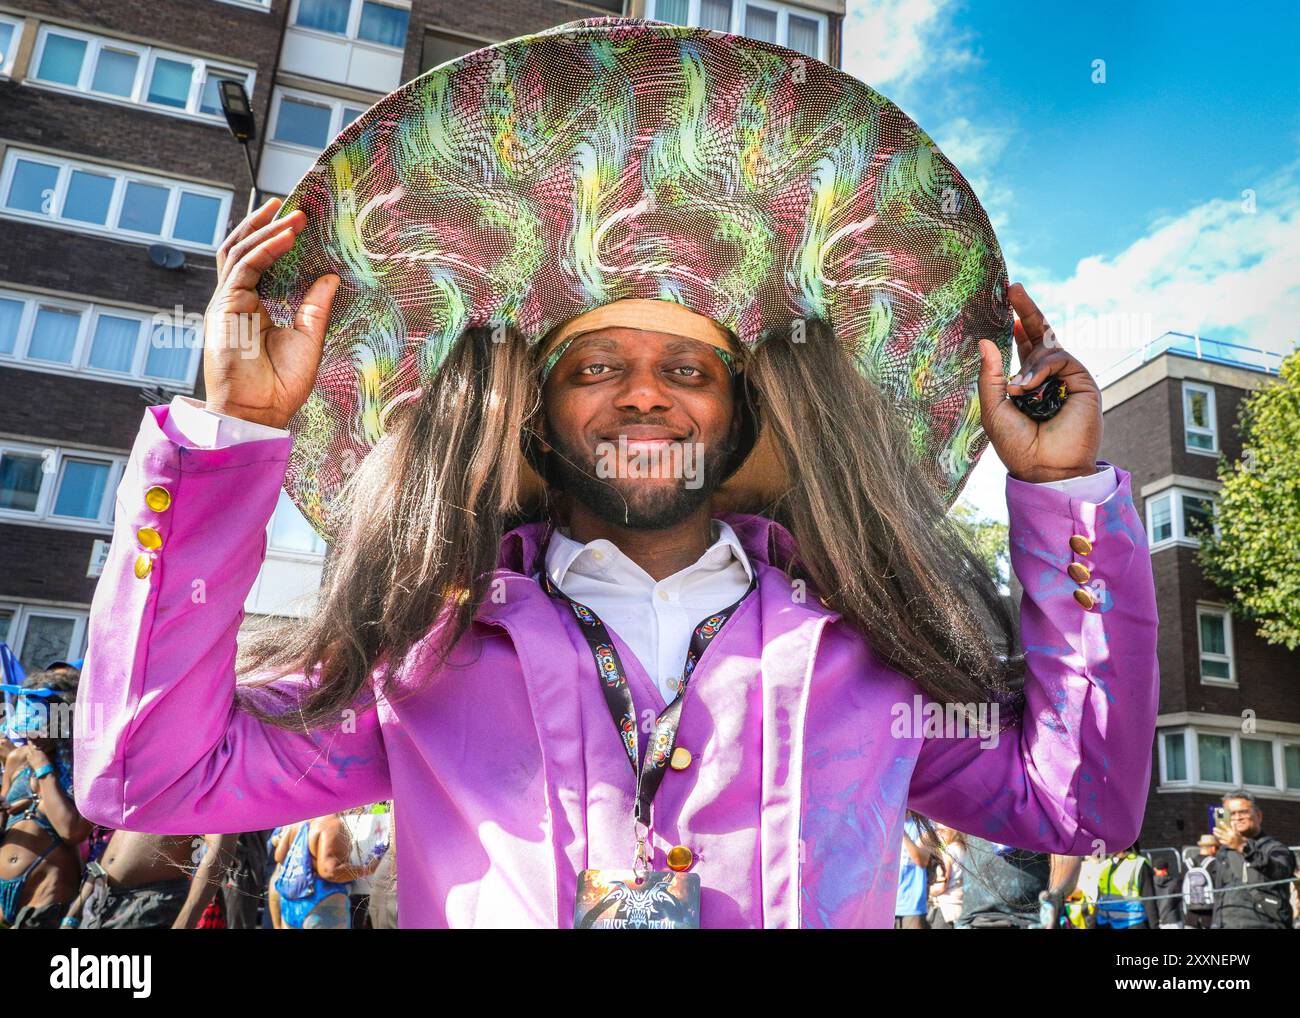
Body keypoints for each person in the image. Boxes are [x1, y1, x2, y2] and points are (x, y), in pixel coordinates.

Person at [71, 17, 1160, 928]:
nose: (644, 393)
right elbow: (147, 774)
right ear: (535, 413)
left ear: (744, 412)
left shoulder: (869, 663)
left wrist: (1062, 500)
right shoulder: (417, 660)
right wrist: (230, 438)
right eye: (596, 365)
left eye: (687, 366)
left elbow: (1076, 804)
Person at [0, 667, 91, 928]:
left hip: (49, 891)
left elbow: (72, 831)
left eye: (39, 727)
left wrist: (43, 769)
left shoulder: (82, 766)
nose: (32, 736)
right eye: (27, 727)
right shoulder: (17, 759)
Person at [61, 830, 237, 929]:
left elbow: (220, 852)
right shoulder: (147, 771)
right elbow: (113, 846)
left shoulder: (210, 769)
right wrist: (76, 909)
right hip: (98, 898)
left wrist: (185, 923)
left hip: (148, 903)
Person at [273, 814, 379, 929]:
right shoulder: (332, 823)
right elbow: (330, 871)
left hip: (291, 904)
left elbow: (279, 856)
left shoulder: (297, 821)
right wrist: (367, 869)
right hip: (322, 904)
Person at [1211, 791, 1296, 929]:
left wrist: (1242, 847)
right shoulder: (1224, 852)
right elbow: (1221, 892)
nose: (1237, 818)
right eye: (1231, 814)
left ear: (1258, 816)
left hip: (1265, 924)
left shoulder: (1274, 847)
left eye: (1243, 812)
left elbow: (1280, 873)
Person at [1094, 843, 1158, 930]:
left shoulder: (1139, 864)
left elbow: (1149, 900)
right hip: (1106, 923)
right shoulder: (1105, 865)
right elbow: (1099, 899)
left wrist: (1154, 926)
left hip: (1134, 923)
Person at [894, 813, 931, 928]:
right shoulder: (887, 824)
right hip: (886, 905)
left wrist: (903, 833)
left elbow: (922, 860)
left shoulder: (923, 826)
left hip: (911, 907)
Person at [927, 824, 966, 929]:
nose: (937, 833)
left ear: (951, 830)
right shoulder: (962, 847)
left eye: (941, 830)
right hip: (961, 907)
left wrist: (926, 892)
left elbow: (941, 886)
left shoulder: (948, 852)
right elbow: (941, 847)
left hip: (946, 909)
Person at [1181, 835, 1219, 930]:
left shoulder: (1186, 864)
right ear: (1213, 848)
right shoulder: (1215, 863)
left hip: (1190, 915)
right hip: (1210, 915)